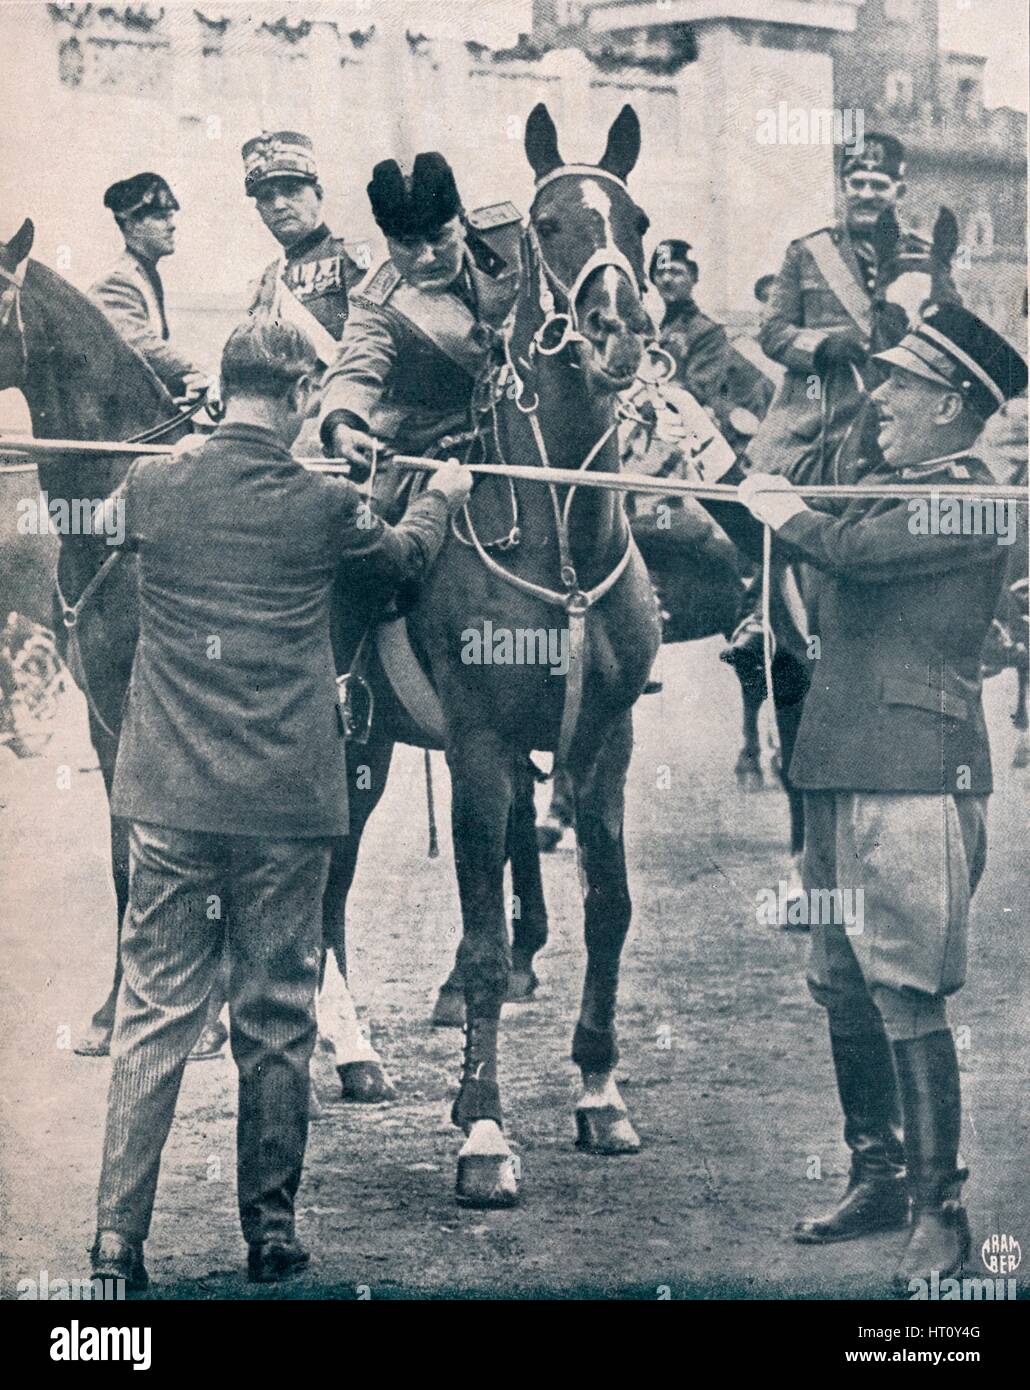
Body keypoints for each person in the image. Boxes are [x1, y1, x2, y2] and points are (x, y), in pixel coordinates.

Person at [89, 316, 471, 1289]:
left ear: (226, 388)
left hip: (168, 800)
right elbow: (400, 564)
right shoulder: (322, 506)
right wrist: (439, 493)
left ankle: (114, 1241)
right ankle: (270, 1233)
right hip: (282, 808)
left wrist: (182, 451)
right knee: (276, 1015)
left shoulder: (154, 485)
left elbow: (112, 524)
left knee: (152, 1015)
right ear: (303, 392)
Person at [719, 303, 1027, 1290]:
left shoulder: (977, 498)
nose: (880, 396)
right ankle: (879, 1175)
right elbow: (794, 536)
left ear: (952, 406)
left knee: (904, 985)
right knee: (841, 979)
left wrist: (771, 499)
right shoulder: (892, 484)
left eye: (900, 384)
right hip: (838, 762)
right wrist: (719, 458)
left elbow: (845, 552)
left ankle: (943, 1215)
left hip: (914, 773)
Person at [319, 150, 521, 485]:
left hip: (517, 424)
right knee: (368, 525)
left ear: (463, 222)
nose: (427, 257)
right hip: (425, 446)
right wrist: (342, 424)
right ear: (388, 241)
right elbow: (355, 369)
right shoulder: (376, 302)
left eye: (439, 237)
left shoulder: (505, 243)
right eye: (407, 244)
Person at [244, 130, 368, 363]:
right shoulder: (269, 279)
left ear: (318, 195)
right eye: (266, 197)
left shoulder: (351, 258)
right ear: (258, 210)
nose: (279, 204)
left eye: (291, 190)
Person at [89, 173, 213, 402]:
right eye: (160, 217)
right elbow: (140, 343)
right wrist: (198, 374)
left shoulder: (143, 274)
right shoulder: (117, 281)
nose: (172, 226)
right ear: (130, 225)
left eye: (170, 216)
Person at [649, 238, 773, 454]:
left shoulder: (707, 331)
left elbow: (698, 391)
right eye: (660, 273)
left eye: (676, 272)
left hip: (697, 432)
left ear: (693, 277)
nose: (667, 279)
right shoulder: (659, 329)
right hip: (665, 424)